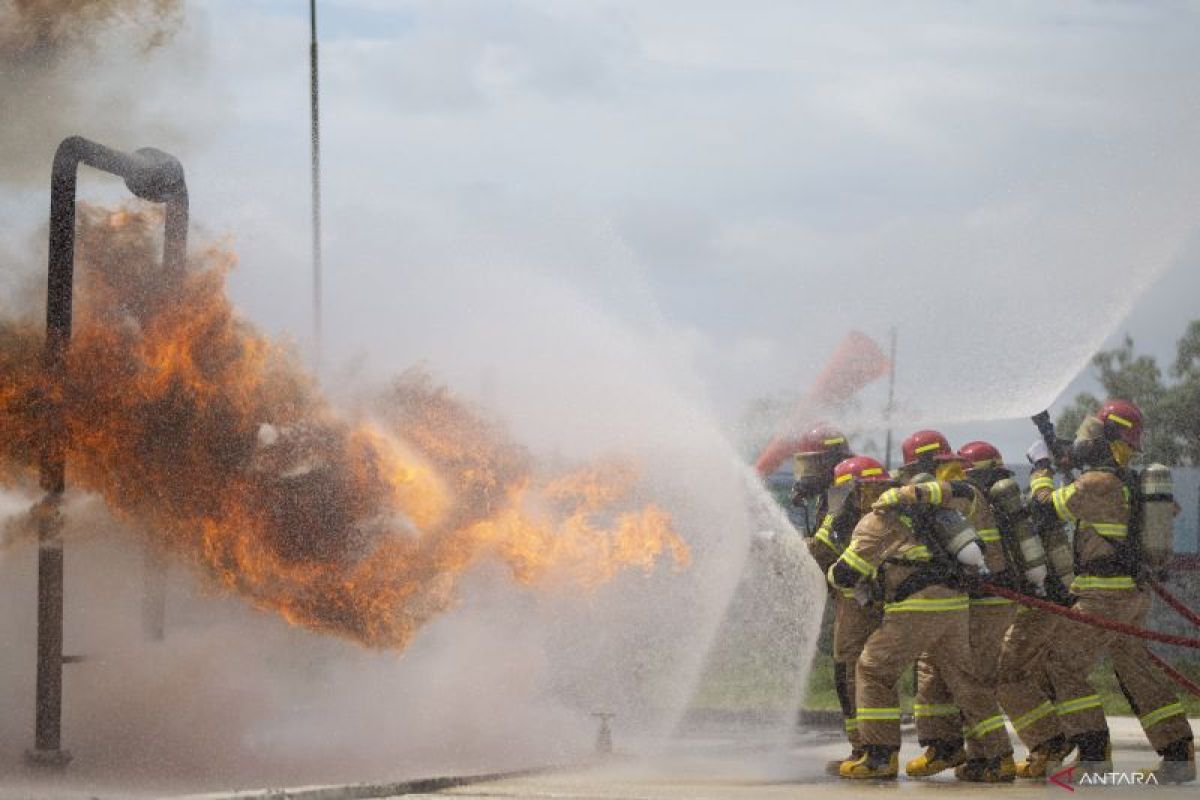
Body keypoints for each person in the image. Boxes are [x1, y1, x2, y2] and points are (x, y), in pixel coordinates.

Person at [1027, 399, 1195, 782]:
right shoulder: (1130, 480)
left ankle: (1093, 753)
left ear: (1111, 435)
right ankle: (1178, 755)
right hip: (1132, 595)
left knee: (1061, 665)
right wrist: (1058, 444)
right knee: (1136, 672)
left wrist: (1041, 470)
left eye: (1095, 431)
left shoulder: (1099, 483)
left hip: (1104, 596)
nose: (1086, 438)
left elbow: (1044, 509)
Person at [826, 456, 1011, 780]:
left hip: (916, 608)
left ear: (860, 491)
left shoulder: (876, 520)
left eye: (845, 494)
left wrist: (833, 573)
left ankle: (880, 757)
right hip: (954, 606)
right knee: (965, 681)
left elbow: (845, 574)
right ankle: (999, 758)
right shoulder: (925, 512)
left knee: (873, 669)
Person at [889, 431, 1017, 781]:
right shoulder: (948, 497)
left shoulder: (964, 490)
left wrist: (903, 493)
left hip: (989, 603)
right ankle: (956, 750)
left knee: (970, 678)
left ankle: (994, 756)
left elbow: (949, 494)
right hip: (972, 600)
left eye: (917, 469)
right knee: (938, 670)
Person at [790, 425, 880, 774]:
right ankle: (864, 748)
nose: (805, 474)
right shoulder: (843, 489)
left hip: (858, 597)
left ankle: (869, 750)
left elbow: (825, 545)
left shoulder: (845, 490)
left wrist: (790, 553)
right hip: (855, 593)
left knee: (850, 671)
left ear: (831, 460)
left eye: (811, 464)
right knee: (849, 671)